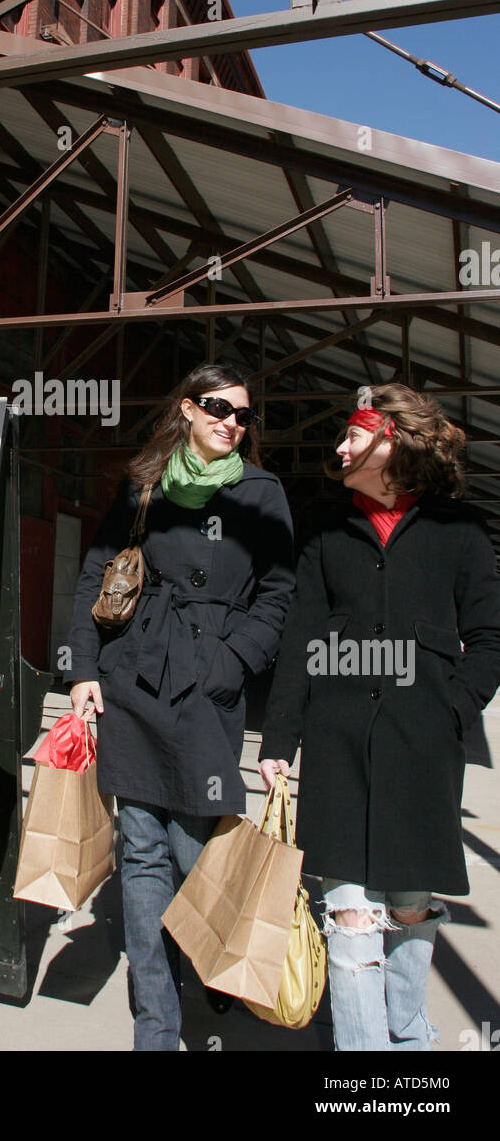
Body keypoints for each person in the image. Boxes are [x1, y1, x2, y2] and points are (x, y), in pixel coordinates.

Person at [259, 383, 500, 1051]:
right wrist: (280, 737)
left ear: (391, 440)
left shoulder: (460, 530)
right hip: (336, 746)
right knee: (350, 919)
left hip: (423, 747)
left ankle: (406, 1031)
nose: (339, 446)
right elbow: (300, 638)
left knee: (406, 906)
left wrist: (452, 707)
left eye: (353, 434)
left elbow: (488, 637)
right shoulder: (325, 530)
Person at [66, 363, 295, 1051]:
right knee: (139, 854)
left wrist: (230, 663)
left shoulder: (261, 492)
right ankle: (156, 1028)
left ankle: (212, 969)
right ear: (187, 409)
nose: (232, 420)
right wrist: (82, 667)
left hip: (207, 690)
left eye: (243, 414)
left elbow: (278, 593)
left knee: (196, 850)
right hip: (134, 680)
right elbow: (93, 573)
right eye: (219, 407)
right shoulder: (142, 484)